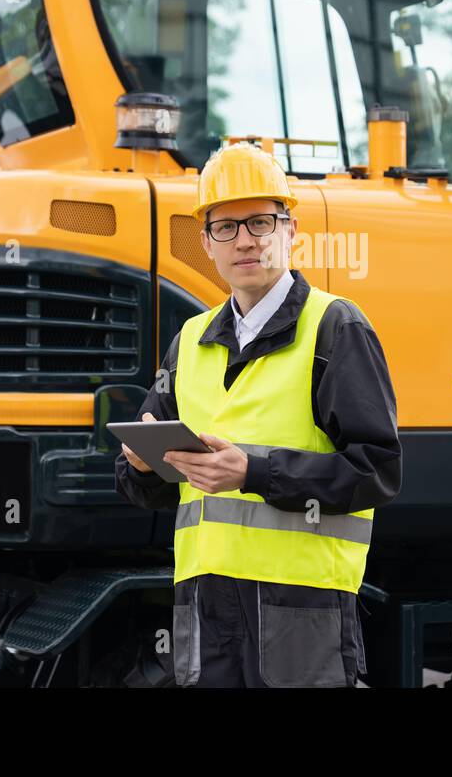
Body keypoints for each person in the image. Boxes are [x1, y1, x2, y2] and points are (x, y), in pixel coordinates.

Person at [114, 141, 401, 687]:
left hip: (302, 603)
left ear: (290, 231)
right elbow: (147, 487)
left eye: (261, 222)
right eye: (226, 227)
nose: (245, 240)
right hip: (205, 604)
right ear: (206, 243)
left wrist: (252, 472)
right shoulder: (190, 341)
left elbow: (378, 471)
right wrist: (144, 466)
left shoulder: (335, 328)